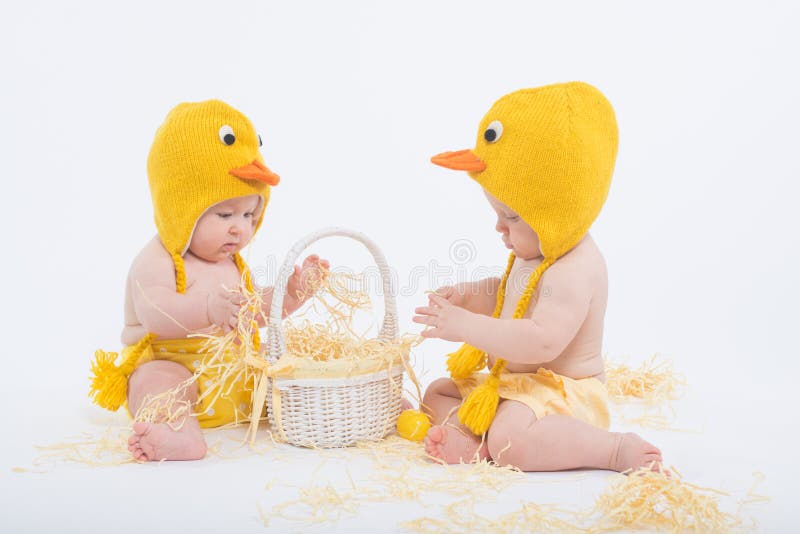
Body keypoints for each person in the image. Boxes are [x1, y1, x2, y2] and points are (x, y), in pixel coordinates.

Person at [413, 82, 662, 472]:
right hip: (516, 389)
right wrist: (468, 296)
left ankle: (612, 450)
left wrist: (466, 326)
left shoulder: (575, 269)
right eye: (497, 214)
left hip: (562, 395)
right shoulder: (537, 252)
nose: (499, 227)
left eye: (511, 217)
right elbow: (508, 295)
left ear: (558, 211)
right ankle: (476, 445)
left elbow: (540, 341)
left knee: (513, 440)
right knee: (436, 393)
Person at [89, 100, 327, 461]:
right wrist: (208, 308)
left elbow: (251, 312)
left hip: (237, 380)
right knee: (153, 380)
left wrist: (290, 295)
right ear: (180, 208)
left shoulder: (232, 263)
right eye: (224, 213)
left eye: (250, 213)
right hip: (183, 377)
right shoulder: (156, 260)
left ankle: (343, 406)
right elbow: (156, 313)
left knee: (289, 368)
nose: (240, 227)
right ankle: (174, 431)